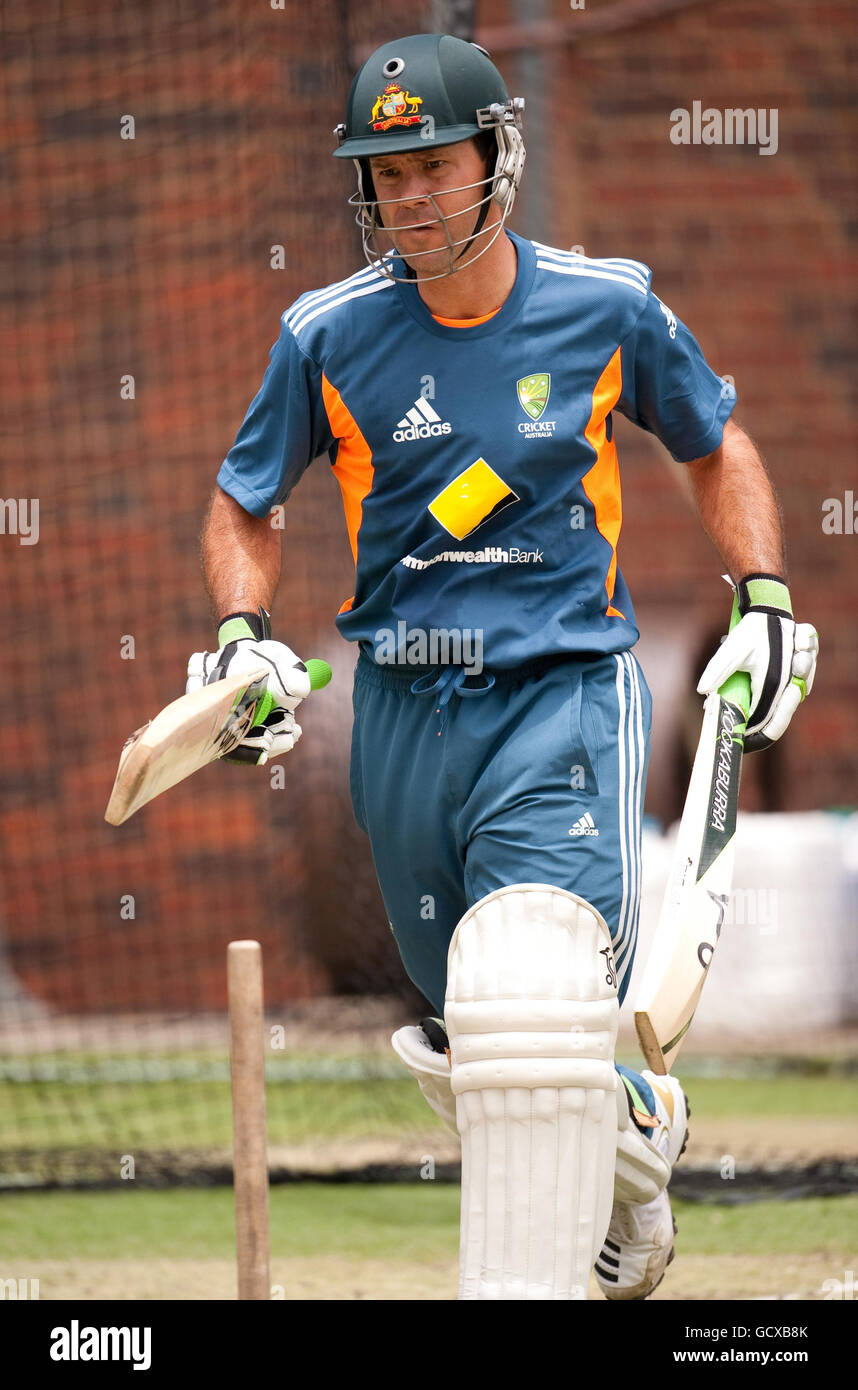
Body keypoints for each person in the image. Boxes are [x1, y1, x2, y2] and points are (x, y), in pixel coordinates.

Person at [191, 33, 819, 1300]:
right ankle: (639, 1128)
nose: (412, 196)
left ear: (497, 158)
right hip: (402, 714)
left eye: (436, 165)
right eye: (387, 173)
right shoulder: (327, 336)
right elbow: (243, 501)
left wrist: (761, 595)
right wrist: (242, 636)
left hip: (567, 695)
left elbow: (715, 444)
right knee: (475, 1044)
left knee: (528, 987)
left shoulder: (607, 305)